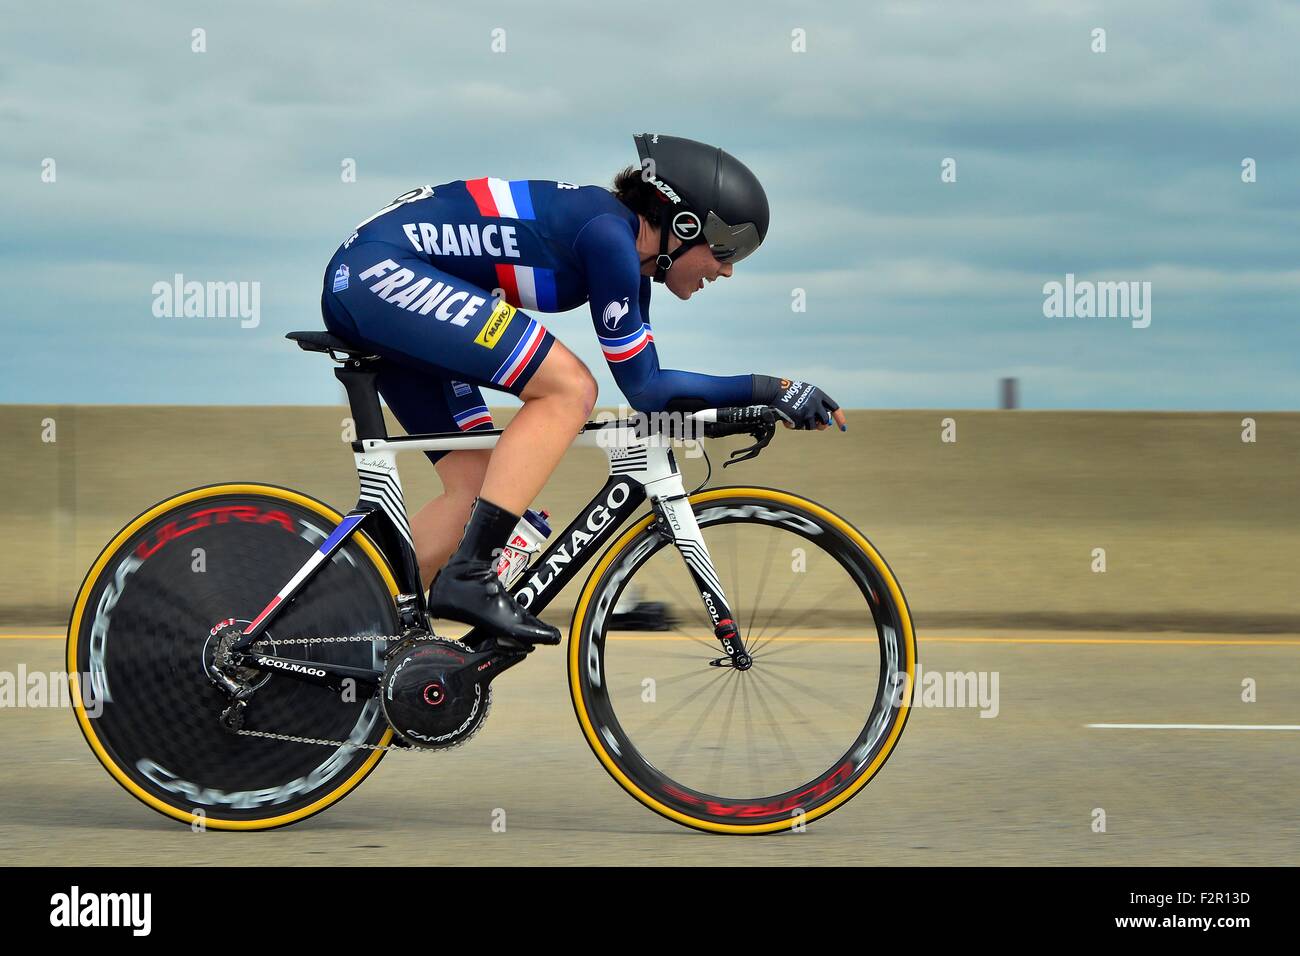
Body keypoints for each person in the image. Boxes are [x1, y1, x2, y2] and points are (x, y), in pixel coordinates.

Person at [319, 133, 846, 647]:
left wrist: (743, 407)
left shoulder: (625, 257)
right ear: (682, 225)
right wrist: (772, 388)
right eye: (726, 249)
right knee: (569, 390)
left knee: (479, 492)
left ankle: (330, 631)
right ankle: (470, 577)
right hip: (378, 273)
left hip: (382, 278)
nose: (728, 269)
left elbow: (651, 389)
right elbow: (648, 391)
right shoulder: (607, 237)